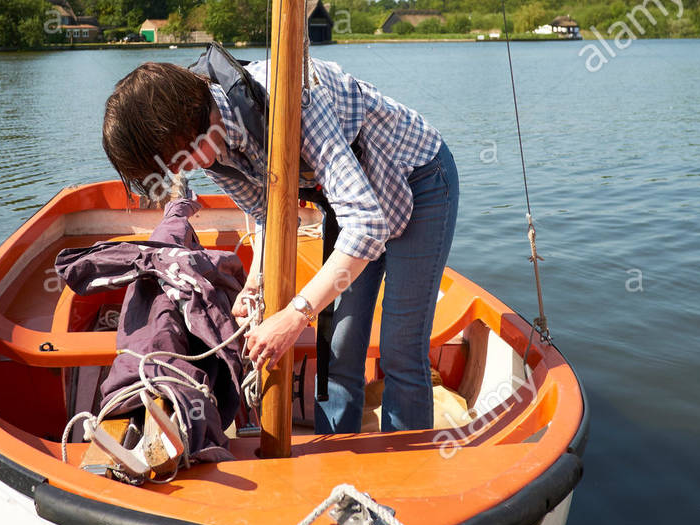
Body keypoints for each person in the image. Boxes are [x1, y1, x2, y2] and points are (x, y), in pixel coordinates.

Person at [100, 51, 458, 434]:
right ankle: (334, 456)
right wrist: (257, 279)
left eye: (176, 159)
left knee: (400, 349)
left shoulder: (293, 97)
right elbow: (268, 211)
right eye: (170, 166)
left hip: (416, 180)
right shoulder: (208, 149)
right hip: (353, 202)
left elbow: (367, 225)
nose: (179, 171)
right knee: (336, 349)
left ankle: (406, 471)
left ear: (192, 120)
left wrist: (294, 315)